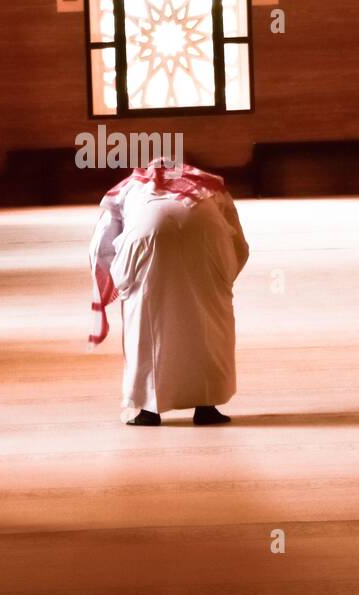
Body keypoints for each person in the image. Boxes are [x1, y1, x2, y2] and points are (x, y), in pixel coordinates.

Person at [89, 160, 249, 426]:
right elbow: (238, 243)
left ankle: (149, 411)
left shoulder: (130, 187)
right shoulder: (210, 187)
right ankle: (206, 406)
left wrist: (121, 282)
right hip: (207, 242)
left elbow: (102, 246)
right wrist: (220, 283)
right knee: (206, 323)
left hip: (147, 244)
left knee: (146, 326)